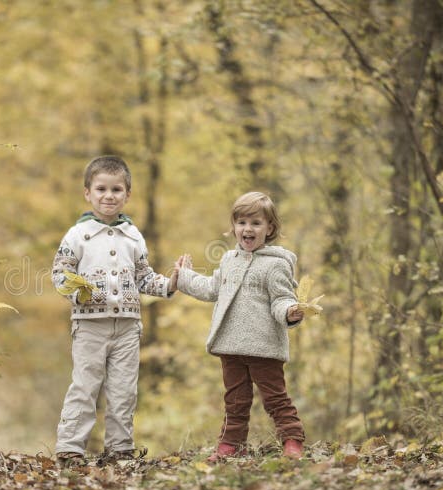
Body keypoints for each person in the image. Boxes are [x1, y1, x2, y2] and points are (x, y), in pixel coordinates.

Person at [51, 155, 177, 466]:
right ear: (88, 193)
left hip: (128, 326)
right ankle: (70, 447)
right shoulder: (77, 235)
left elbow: (143, 277)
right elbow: (59, 273)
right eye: (101, 189)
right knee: (86, 384)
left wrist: (169, 285)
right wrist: (75, 290)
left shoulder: (133, 235)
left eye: (117, 190)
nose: (109, 196)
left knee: (124, 389)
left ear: (127, 194)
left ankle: (120, 449)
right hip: (90, 325)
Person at [175, 191, 305, 462]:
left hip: (263, 346)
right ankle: (231, 445)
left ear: (269, 228)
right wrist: (184, 277)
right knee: (235, 400)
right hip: (230, 345)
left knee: (275, 398)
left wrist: (290, 313)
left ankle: (292, 440)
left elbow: (282, 299)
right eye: (242, 222)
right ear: (233, 226)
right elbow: (212, 289)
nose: (248, 229)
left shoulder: (276, 265)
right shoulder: (228, 260)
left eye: (256, 223)